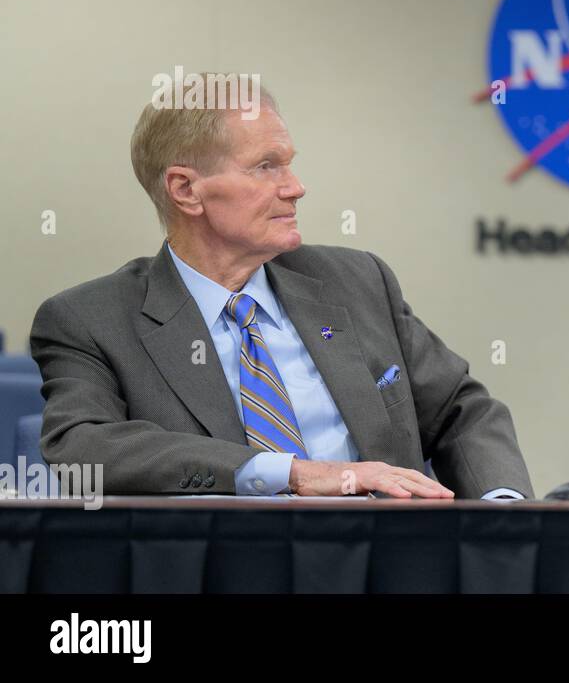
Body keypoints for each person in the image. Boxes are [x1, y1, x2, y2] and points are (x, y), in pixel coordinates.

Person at [31, 78, 533, 499]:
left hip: (385, 565)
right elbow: (83, 446)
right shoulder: (90, 319)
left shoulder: (357, 281)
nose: (295, 186)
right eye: (266, 166)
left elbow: (462, 412)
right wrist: (293, 472)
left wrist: (502, 511)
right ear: (186, 189)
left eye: (289, 163)